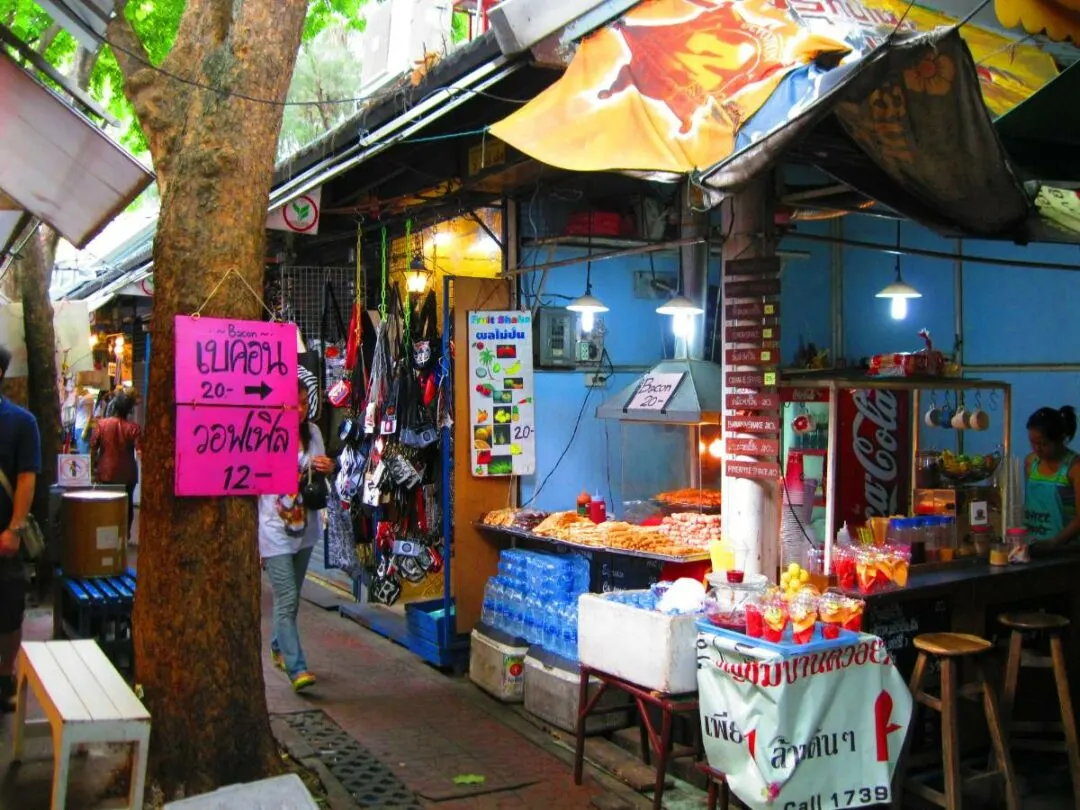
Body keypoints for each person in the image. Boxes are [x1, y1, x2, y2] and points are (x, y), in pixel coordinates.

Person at [259, 377, 332, 692]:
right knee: (286, 597)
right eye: (293, 403)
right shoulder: (265, 433)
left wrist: (326, 466)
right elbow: (261, 476)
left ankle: (278, 645)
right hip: (274, 527)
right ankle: (297, 667)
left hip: (306, 528)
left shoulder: (313, 432)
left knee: (291, 599)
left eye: (304, 403)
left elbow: (321, 466)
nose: (299, 410)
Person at [0, 345, 41, 712]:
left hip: (3, 537)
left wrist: (14, 529)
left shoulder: (20, 422)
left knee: (9, 611)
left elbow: (27, 478)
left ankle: (4, 675)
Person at [1025, 405, 1080, 550]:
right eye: (1033, 442)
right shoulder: (1031, 463)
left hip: (1067, 551)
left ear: (1060, 439)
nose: (1037, 448)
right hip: (1033, 546)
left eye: (1043, 443)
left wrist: (1053, 543)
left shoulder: (1074, 468)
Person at [92, 392, 141, 533]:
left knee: (106, 505)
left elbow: (93, 446)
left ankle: (107, 534)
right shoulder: (134, 428)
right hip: (128, 474)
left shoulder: (101, 424)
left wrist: (93, 467)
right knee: (127, 505)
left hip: (106, 472)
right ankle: (124, 535)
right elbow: (139, 450)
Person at [73, 386, 94, 455]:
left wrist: (85, 430)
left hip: (83, 427)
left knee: (83, 454)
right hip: (78, 426)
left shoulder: (88, 398)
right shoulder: (82, 397)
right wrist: (76, 396)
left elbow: (89, 415)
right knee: (80, 452)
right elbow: (75, 406)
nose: (75, 389)